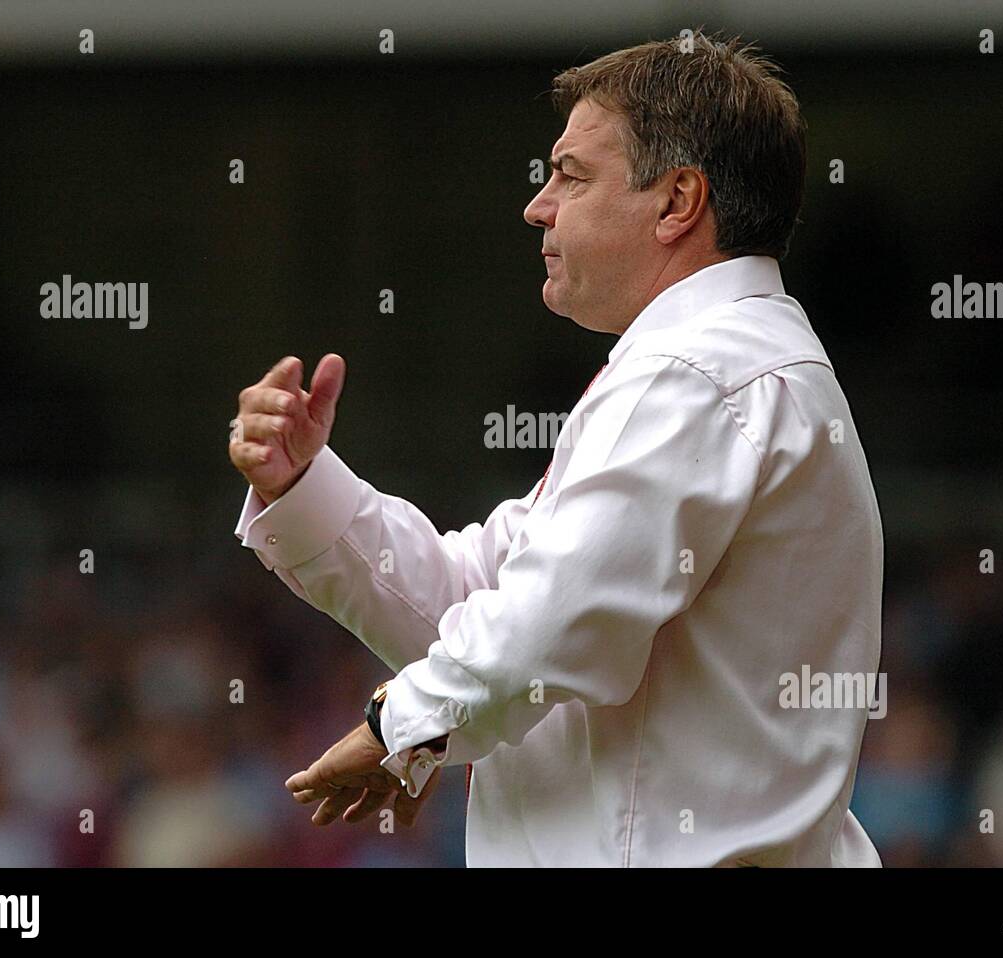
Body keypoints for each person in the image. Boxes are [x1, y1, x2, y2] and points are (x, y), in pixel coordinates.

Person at [229, 32, 884, 866]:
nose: (538, 205)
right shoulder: (706, 363)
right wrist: (303, 487)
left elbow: (548, 622)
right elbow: (483, 604)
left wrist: (400, 725)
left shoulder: (701, 371)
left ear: (678, 200)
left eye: (571, 174)